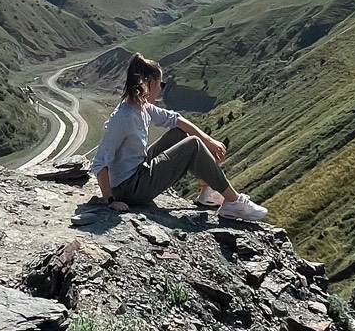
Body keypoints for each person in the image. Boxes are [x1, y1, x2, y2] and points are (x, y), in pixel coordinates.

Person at [91, 54, 268, 222]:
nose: (161, 89)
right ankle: (233, 202)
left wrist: (210, 142)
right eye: (161, 84)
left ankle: (206, 192)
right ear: (147, 83)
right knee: (193, 145)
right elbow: (100, 162)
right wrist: (110, 200)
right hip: (128, 189)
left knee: (179, 134)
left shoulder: (142, 107)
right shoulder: (124, 118)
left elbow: (176, 120)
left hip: (137, 172)